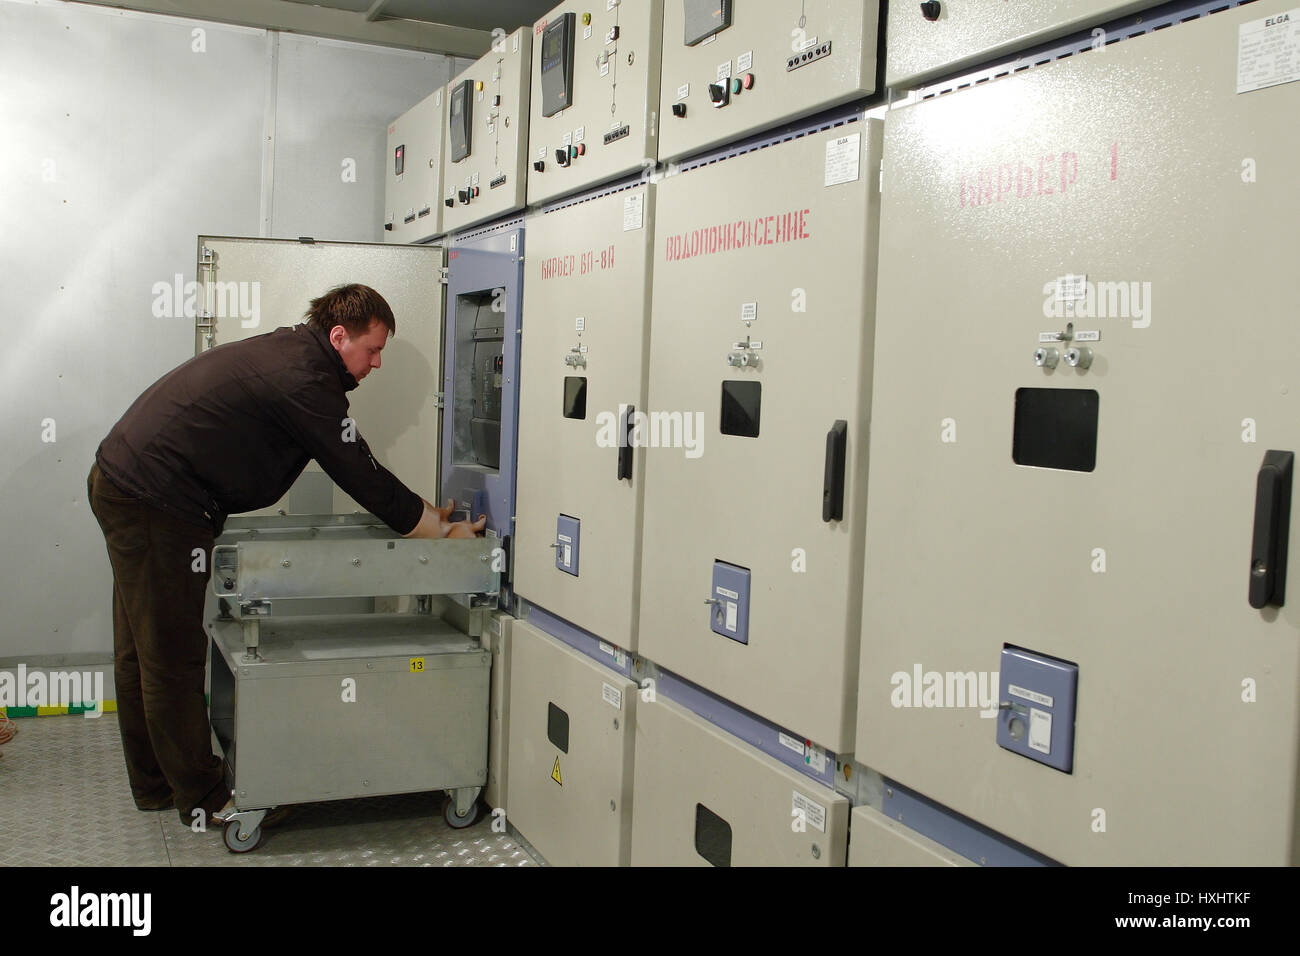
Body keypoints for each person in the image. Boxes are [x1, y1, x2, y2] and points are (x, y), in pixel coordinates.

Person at [87, 283, 483, 829]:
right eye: (372, 349)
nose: (378, 363)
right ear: (339, 336)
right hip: (156, 500)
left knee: (141, 648)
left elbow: (356, 461)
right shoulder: (304, 380)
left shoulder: (295, 356)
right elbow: (357, 470)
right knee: (170, 657)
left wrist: (432, 519)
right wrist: (439, 533)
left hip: (125, 480)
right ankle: (204, 799)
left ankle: (157, 783)